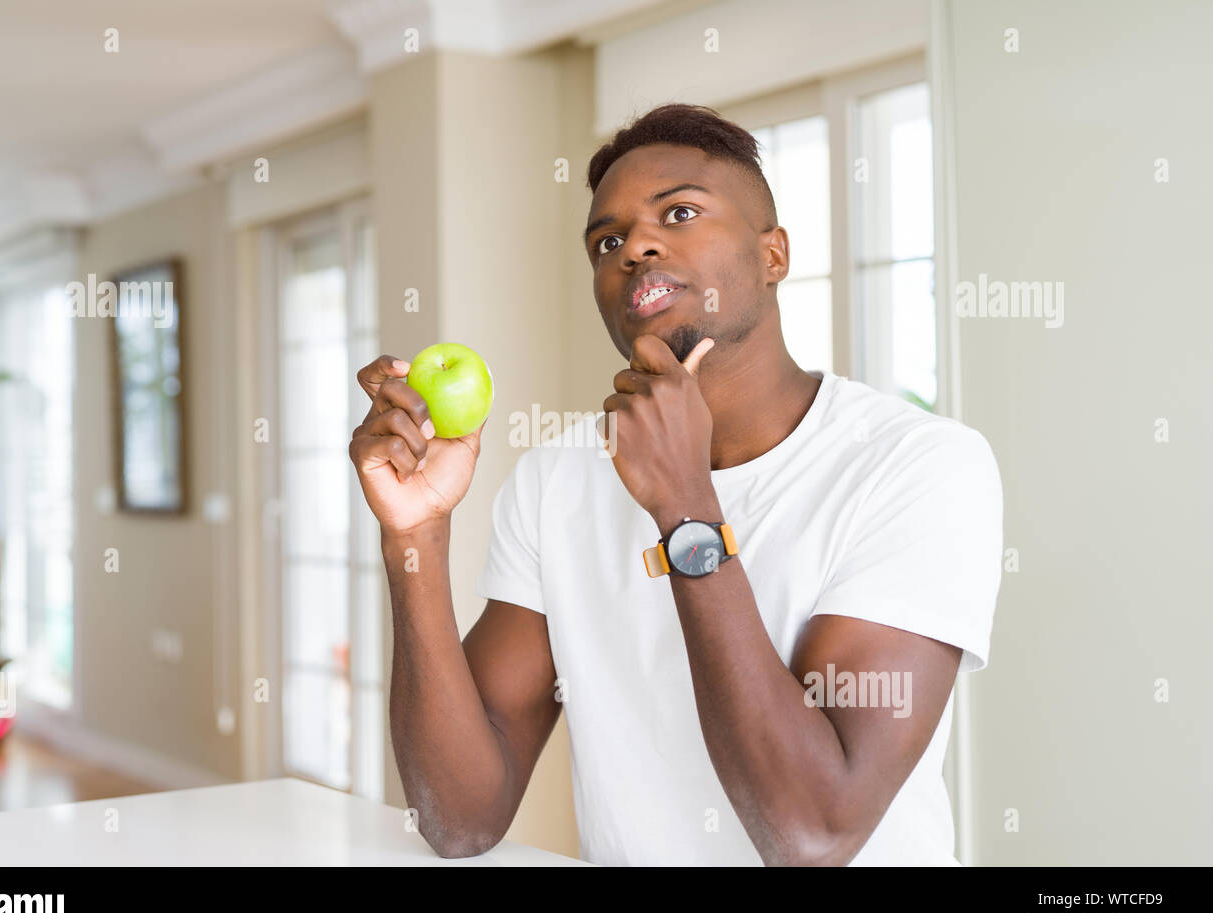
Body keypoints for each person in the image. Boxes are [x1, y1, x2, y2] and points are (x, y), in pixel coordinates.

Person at [349, 103, 1003, 866]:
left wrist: (684, 506)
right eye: (607, 240)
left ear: (774, 256)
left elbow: (815, 830)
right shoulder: (556, 480)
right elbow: (459, 818)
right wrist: (413, 535)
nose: (637, 247)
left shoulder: (919, 466)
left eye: (680, 212)